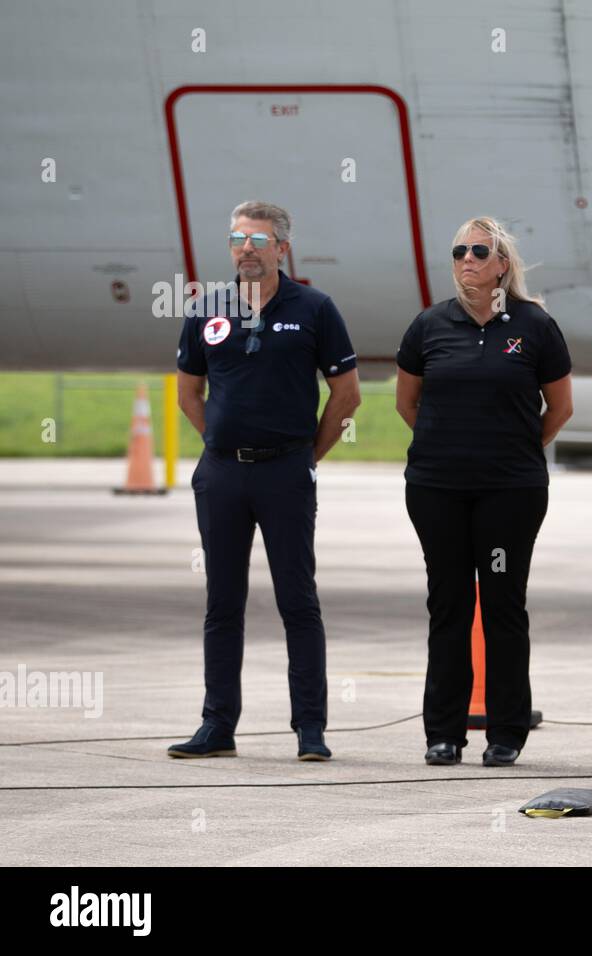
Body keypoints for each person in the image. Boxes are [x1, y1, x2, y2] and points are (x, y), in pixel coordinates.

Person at [169, 200, 361, 762]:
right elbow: (188, 391)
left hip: (286, 471)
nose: (245, 249)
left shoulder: (315, 308)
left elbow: (346, 394)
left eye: (258, 240)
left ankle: (310, 728)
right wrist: (220, 445)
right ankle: (216, 725)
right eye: (237, 239)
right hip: (223, 474)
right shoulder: (208, 309)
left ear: (282, 248)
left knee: (297, 601)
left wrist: (307, 457)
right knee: (221, 603)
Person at [396, 216, 573, 768]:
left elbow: (560, 408)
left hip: (510, 492)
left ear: (502, 264)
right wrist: (448, 448)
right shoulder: (429, 325)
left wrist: (516, 451)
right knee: (447, 606)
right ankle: (443, 734)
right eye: (458, 251)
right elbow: (407, 404)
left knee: (503, 606)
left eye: (480, 251)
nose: (467, 259)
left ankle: (506, 733)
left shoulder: (534, 325)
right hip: (437, 490)